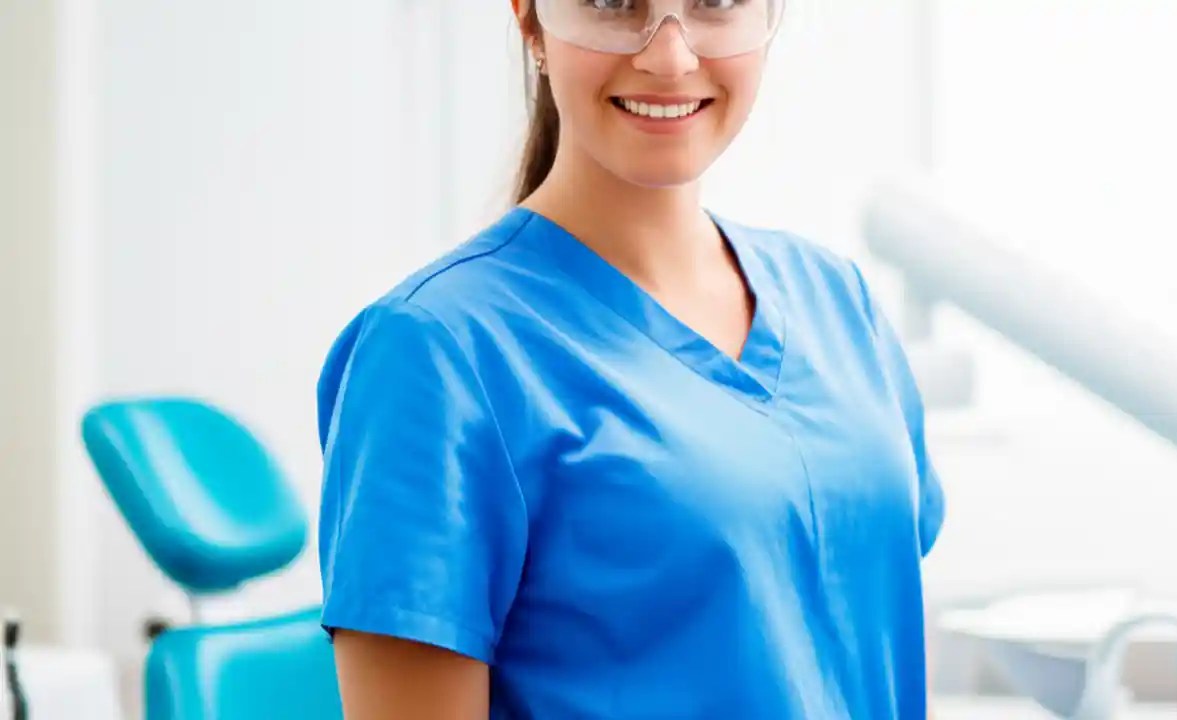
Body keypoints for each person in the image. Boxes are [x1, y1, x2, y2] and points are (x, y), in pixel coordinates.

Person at [315, 0, 946, 717]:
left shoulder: (836, 300)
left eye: (715, 2)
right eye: (614, 2)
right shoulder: (434, 351)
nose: (669, 56)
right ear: (530, 21)